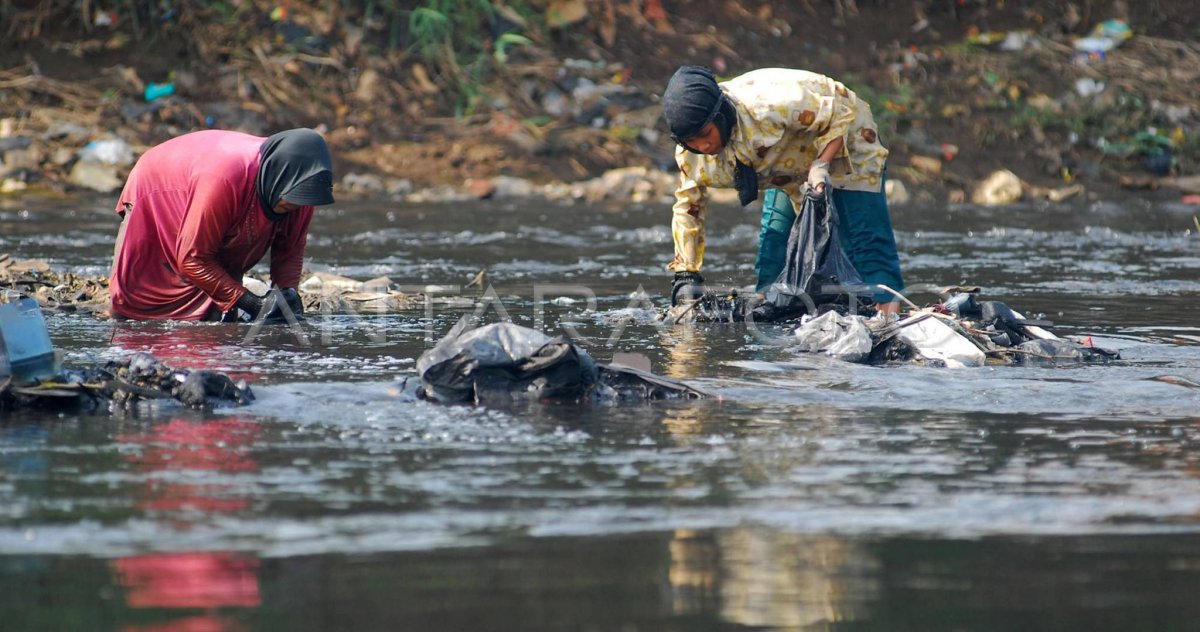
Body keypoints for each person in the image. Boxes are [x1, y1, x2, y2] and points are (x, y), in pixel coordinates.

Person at [661, 66, 903, 314]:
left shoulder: (769, 107)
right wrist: (686, 273)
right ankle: (772, 323)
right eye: (691, 142)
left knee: (862, 241)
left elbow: (839, 114)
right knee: (774, 248)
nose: (702, 146)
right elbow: (689, 207)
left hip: (845, 135)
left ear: (720, 117)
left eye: (704, 134)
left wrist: (821, 166)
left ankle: (885, 317)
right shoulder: (691, 157)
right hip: (785, 160)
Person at [109, 128, 335, 321]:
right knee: (136, 306)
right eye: (290, 204)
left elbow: (290, 250)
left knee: (218, 310)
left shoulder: (298, 189)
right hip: (161, 184)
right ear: (277, 177)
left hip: (211, 182)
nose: (296, 209)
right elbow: (191, 259)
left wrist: (287, 296)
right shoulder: (225, 180)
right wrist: (251, 303)